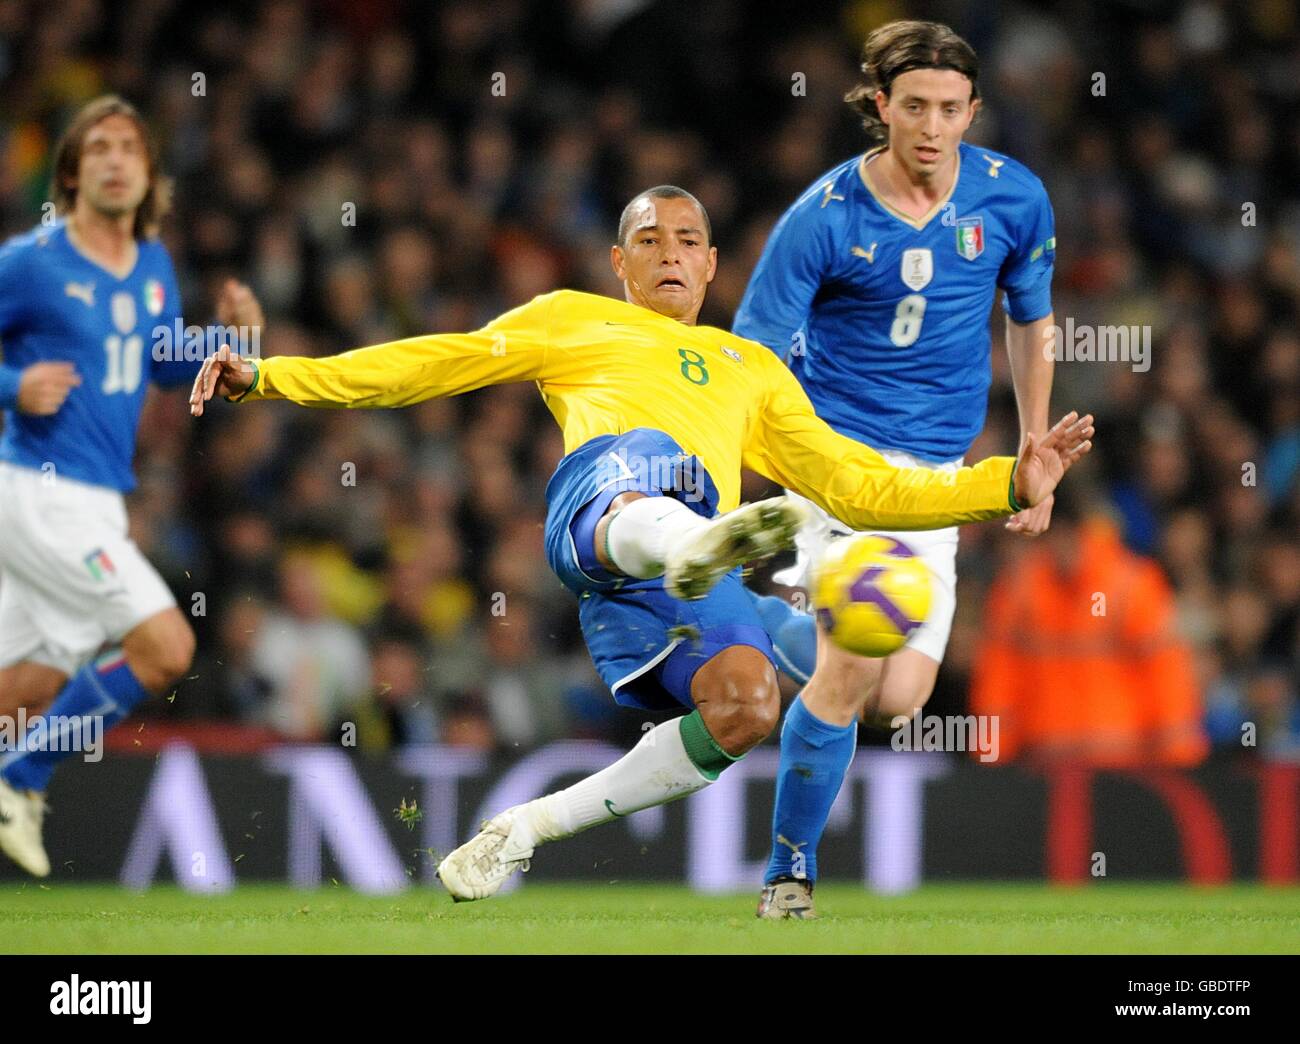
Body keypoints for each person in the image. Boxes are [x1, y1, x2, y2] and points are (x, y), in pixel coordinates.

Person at [190, 184, 1091, 902]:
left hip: (674, 582)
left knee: (748, 709)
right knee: (655, 466)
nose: (670, 253)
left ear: (710, 264)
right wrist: (268, 377)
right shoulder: (572, 317)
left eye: (687, 239)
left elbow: (859, 484)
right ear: (619, 262)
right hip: (603, 509)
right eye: (649, 239)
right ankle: (693, 540)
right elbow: (431, 361)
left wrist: (1006, 479)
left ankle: (526, 830)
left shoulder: (755, 371)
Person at [732, 20, 1060, 917]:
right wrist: (751, 464)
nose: (931, 125)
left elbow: (1030, 321)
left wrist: (1033, 443)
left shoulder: (1014, 199)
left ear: (972, 112)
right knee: (849, 672)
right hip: (837, 465)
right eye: (913, 106)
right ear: (881, 107)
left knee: (899, 701)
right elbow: (751, 353)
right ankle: (788, 875)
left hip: (937, 479)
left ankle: (765, 617)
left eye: (950, 109)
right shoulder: (824, 217)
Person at [0, 96, 264, 876]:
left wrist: (233, 339)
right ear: (73, 173)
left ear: (149, 175)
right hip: (38, 490)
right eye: (100, 148)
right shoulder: (33, 262)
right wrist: (12, 387)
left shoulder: (151, 265)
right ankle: (18, 780)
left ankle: (15, 761)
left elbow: (155, 359)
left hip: (94, 501)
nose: (116, 160)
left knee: (23, 696)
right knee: (165, 647)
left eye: (131, 149)